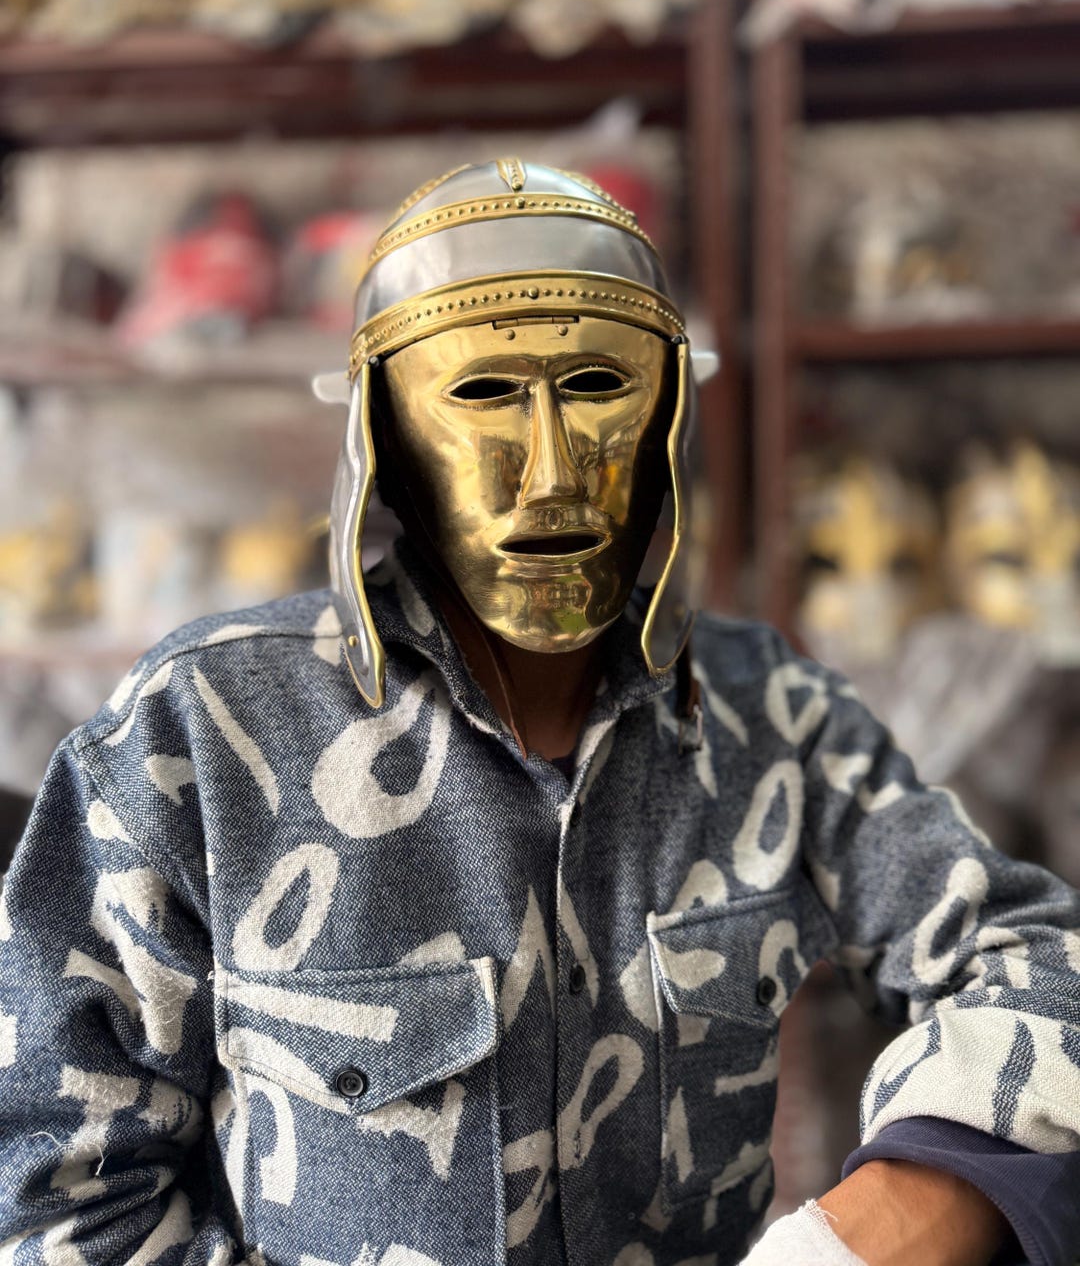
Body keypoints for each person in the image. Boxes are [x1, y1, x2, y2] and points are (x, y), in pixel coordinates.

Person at [1, 161, 1079, 1266]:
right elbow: (54, 1198)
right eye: (484, 394)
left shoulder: (770, 716)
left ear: (668, 407)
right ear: (384, 434)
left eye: (597, 388)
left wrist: (889, 1218)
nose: (553, 471)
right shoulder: (195, 734)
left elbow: (1041, 958)